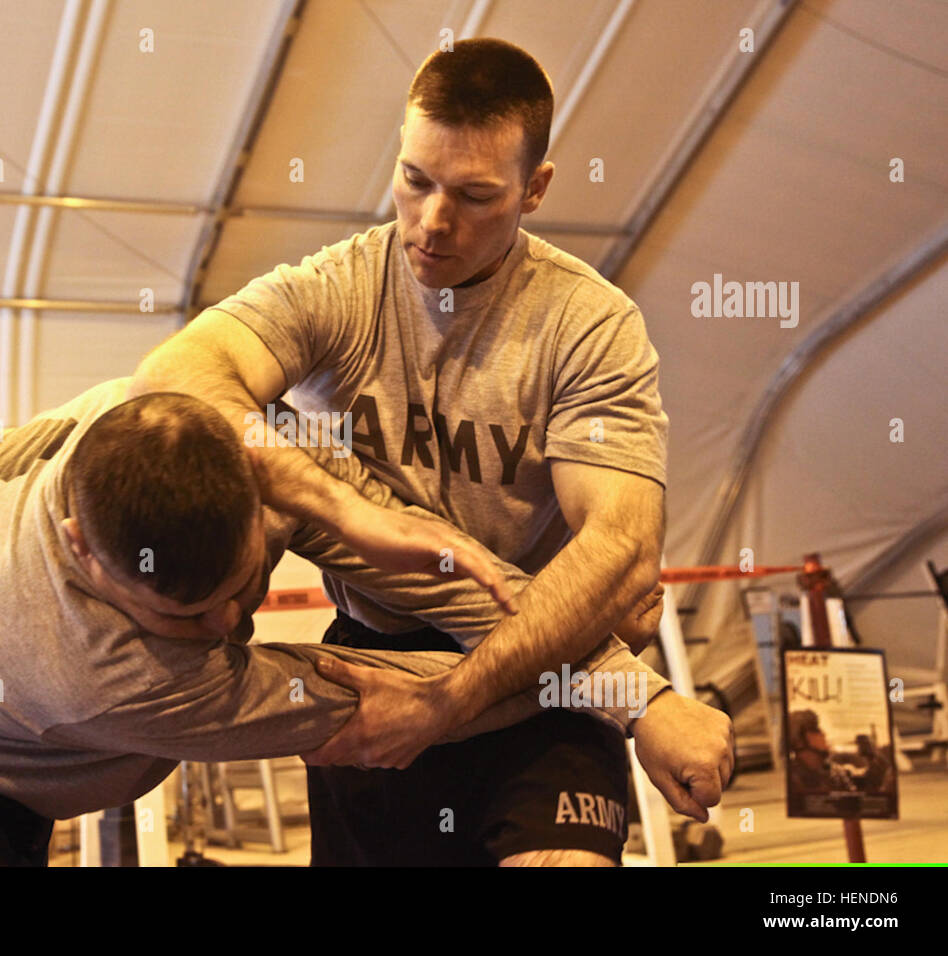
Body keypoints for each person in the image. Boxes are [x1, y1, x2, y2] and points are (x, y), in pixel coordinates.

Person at [132, 38, 734, 866]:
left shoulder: (588, 325)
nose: (432, 221)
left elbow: (621, 552)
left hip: (550, 675)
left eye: (475, 194)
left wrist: (452, 702)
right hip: (373, 662)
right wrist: (348, 513)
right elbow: (175, 380)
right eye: (414, 180)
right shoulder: (341, 288)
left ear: (536, 190)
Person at [0, 378, 674, 866]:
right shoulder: (94, 661)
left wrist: (631, 682)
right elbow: (383, 710)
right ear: (86, 551)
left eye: (240, 585)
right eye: (190, 615)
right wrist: (604, 690)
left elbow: (380, 542)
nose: (231, 620)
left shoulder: (149, 418)